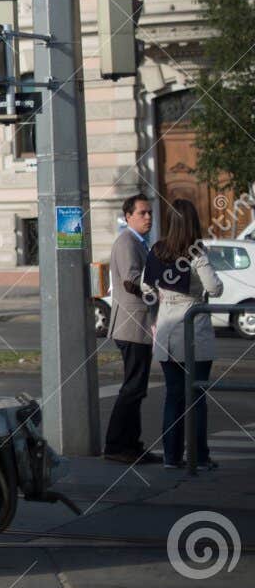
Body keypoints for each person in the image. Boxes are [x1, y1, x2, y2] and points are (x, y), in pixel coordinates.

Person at [143, 198, 223, 471]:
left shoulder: (157, 250)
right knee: (197, 397)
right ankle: (199, 456)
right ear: (193, 222)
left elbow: (146, 287)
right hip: (193, 333)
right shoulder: (196, 253)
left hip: (166, 331)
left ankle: (171, 456)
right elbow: (215, 288)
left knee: (173, 397)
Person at [103, 194, 158, 463]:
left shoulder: (139, 242)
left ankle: (131, 446)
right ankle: (116, 446)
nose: (148, 217)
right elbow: (132, 280)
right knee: (132, 388)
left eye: (150, 213)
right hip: (131, 325)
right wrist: (161, 287)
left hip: (138, 325)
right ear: (128, 217)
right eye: (142, 213)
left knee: (136, 388)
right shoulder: (127, 242)